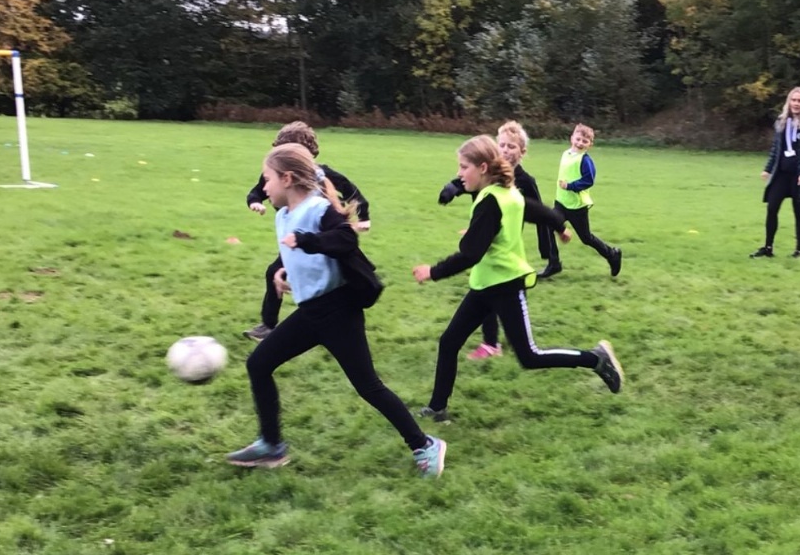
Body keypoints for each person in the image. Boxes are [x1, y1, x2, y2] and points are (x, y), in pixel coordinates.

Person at [227, 143, 446, 476]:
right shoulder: (284, 215)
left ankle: (425, 445)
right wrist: (282, 274)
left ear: (287, 178)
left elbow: (345, 239)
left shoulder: (317, 210)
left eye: (267, 179)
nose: (264, 188)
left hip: (338, 311)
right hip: (311, 313)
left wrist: (307, 241)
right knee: (259, 363)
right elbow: (297, 257)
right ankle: (271, 445)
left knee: (368, 385)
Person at [412, 135, 624, 420]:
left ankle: (595, 358)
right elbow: (531, 210)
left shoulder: (492, 200)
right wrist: (559, 224)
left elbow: (471, 253)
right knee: (449, 341)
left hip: (506, 286)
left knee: (530, 356)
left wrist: (432, 271)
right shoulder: (504, 191)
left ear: (483, 167)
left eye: (464, 167)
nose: (460, 175)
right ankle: (437, 408)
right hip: (485, 284)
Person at [436, 120, 556, 359]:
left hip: (506, 244)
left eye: (511, 146)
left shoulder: (524, 182)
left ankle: (511, 337)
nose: (505, 150)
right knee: (486, 288)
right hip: (484, 241)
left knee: (500, 289)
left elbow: (538, 212)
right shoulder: (483, 173)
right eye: (501, 144)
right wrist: (451, 189)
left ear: (522, 152)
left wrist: (551, 249)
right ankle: (492, 342)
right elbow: (464, 178)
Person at [243, 121, 370, 342]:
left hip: (320, 239)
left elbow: (353, 192)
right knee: (277, 273)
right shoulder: (276, 175)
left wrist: (364, 217)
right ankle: (274, 325)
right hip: (296, 241)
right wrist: (255, 202)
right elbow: (256, 191)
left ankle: (329, 320)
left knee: (338, 277)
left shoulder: (322, 176)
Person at [540, 123, 621, 279]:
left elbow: (588, 180)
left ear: (590, 144)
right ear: (572, 138)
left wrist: (570, 186)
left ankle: (612, 254)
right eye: (578, 139)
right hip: (561, 203)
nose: (580, 143)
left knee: (586, 238)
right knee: (548, 225)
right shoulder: (565, 154)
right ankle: (554, 263)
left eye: (585, 141)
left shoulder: (585, 161)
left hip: (577, 207)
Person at [751, 87, 800, 259]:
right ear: (789, 102)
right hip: (781, 174)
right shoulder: (782, 121)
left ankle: (798, 250)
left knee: (799, 212)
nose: (796, 104)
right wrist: (768, 169)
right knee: (772, 208)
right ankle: (768, 248)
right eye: (793, 100)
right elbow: (776, 149)